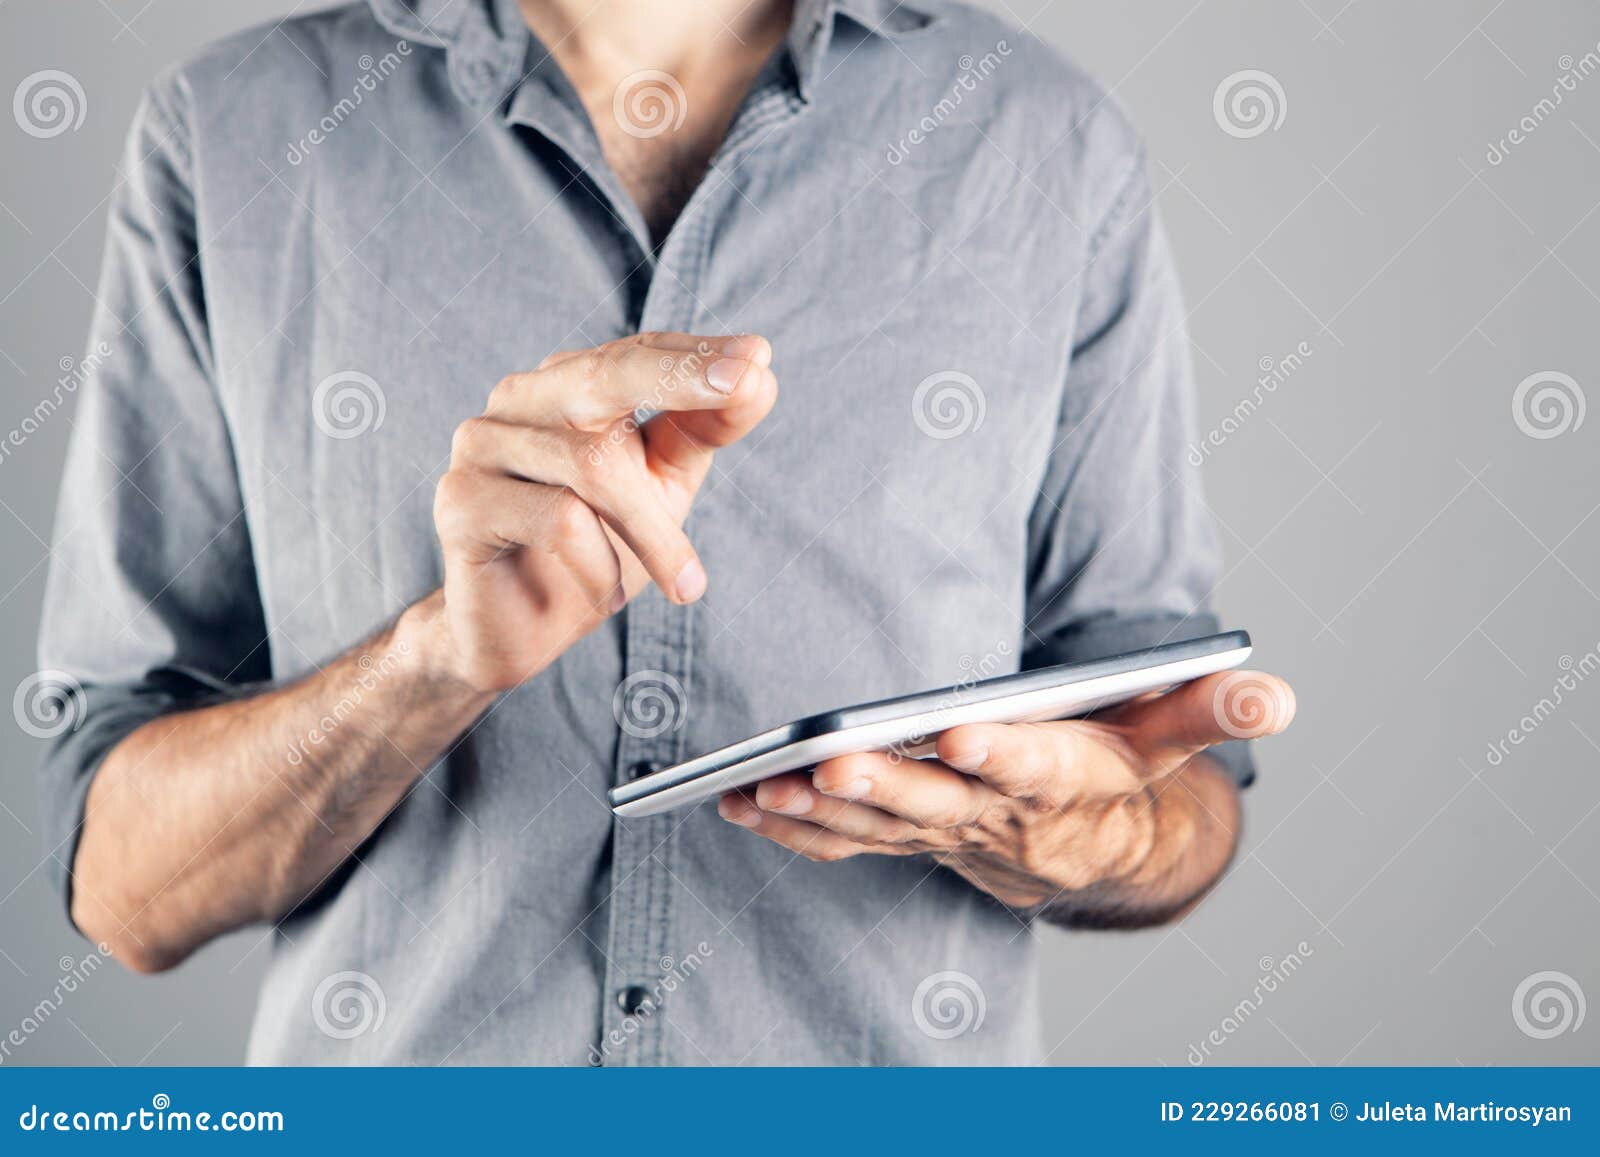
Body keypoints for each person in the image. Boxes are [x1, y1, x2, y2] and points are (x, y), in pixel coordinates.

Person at [38, 0, 1295, 1065]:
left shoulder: (1046, 141)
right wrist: (433, 665)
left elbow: (1179, 797)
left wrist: (1083, 832)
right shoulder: (237, 132)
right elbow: (127, 889)